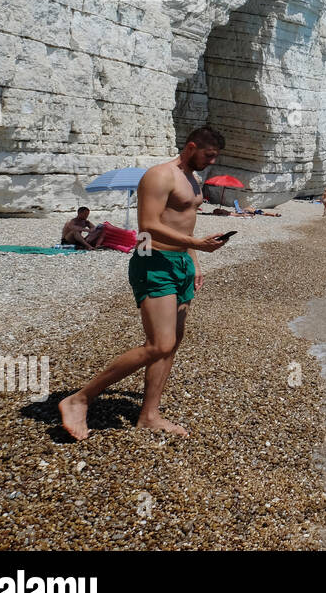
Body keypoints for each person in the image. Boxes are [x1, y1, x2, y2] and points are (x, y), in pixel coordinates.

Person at [58, 127, 231, 440]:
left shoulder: (194, 179)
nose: (211, 161)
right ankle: (79, 399)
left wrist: (194, 259)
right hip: (153, 262)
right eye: (208, 155)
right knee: (159, 344)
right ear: (191, 147)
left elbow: (184, 219)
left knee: (171, 344)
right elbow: (148, 225)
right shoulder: (159, 175)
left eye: (215, 157)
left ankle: (149, 414)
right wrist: (196, 242)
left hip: (181, 265)